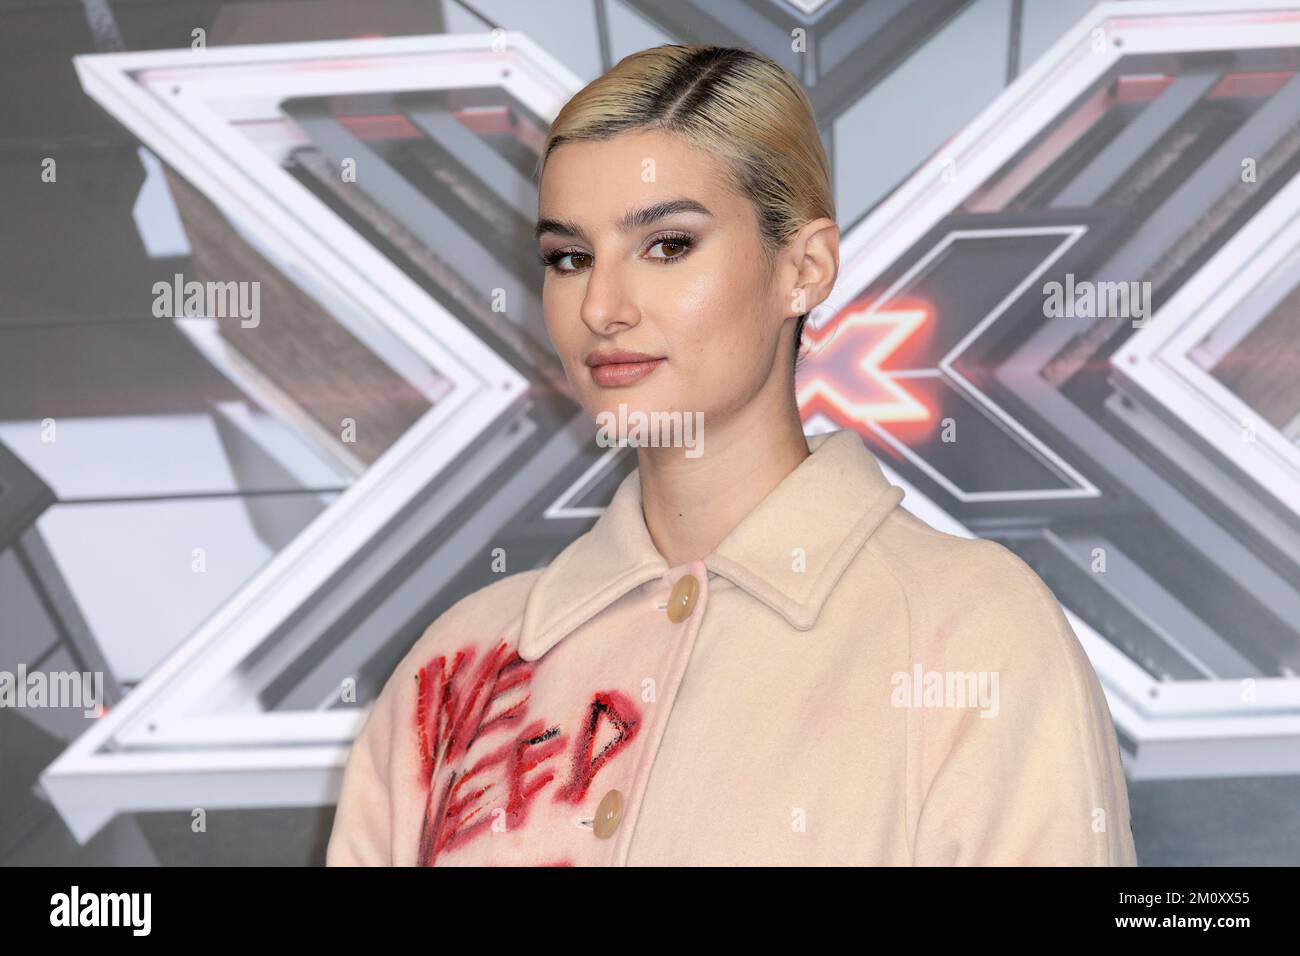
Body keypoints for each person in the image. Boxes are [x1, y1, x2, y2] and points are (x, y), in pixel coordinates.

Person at [325, 43, 1137, 866]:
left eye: (668, 245)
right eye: (568, 258)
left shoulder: (971, 632)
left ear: (805, 268)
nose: (601, 306)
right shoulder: (456, 669)